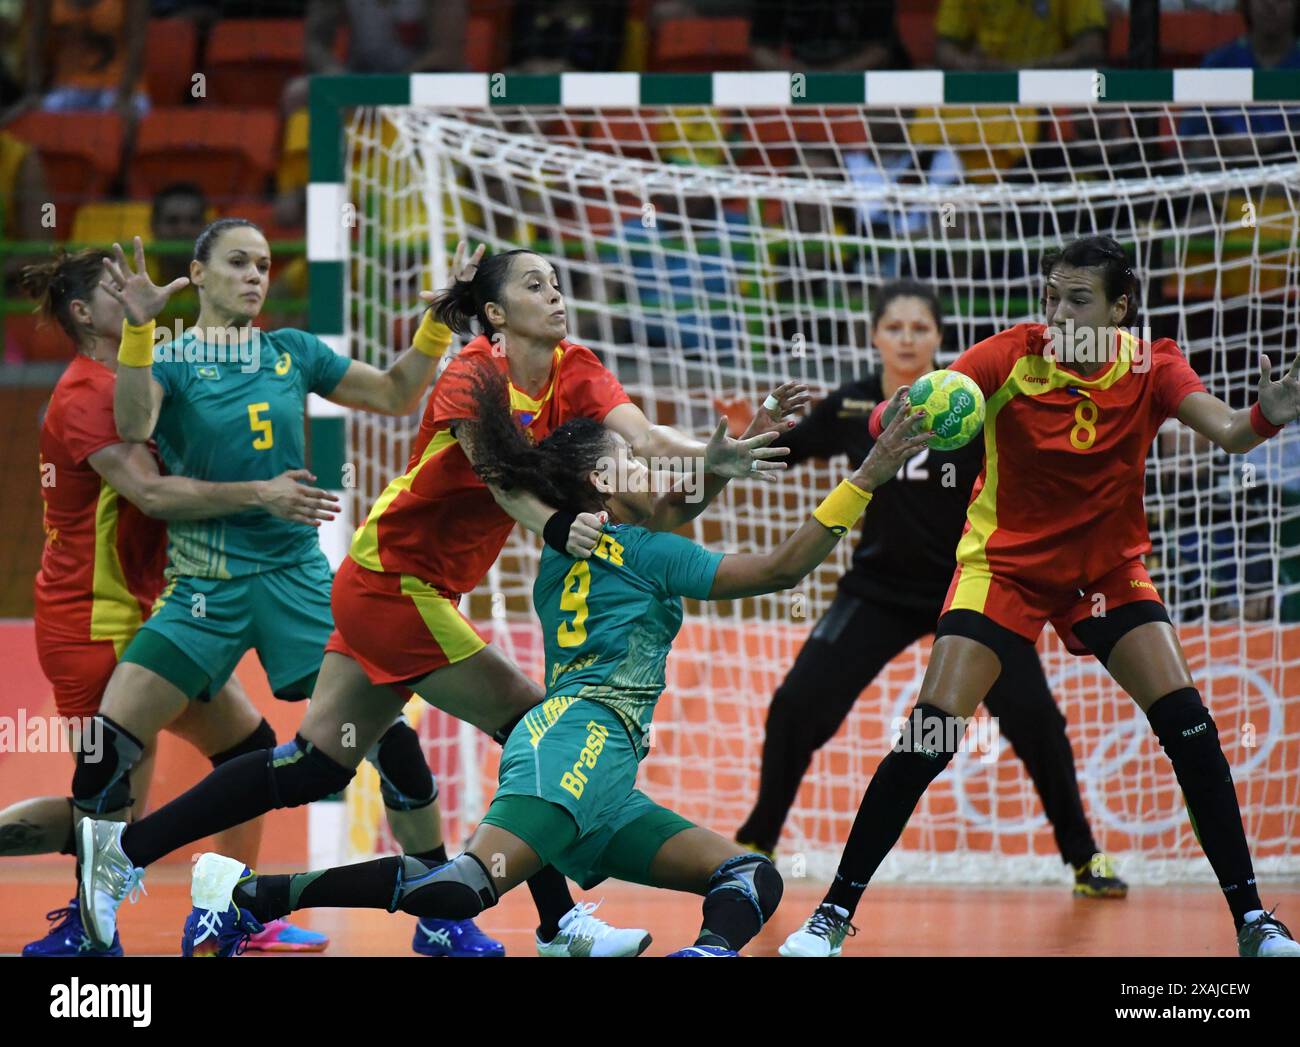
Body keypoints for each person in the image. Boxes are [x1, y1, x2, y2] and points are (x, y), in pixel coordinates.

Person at [78, 244, 788, 956]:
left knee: (314, 765)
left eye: (557, 282)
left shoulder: (576, 368)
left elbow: (646, 437)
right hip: (395, 581)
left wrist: (707, 457)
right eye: (534, 285)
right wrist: (558, 523)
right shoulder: (474, 372)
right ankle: (557, 923)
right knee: (527, 718)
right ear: (496, 314)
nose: (555, 294)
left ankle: (130, 855)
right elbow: (493, 471)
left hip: (390, 585)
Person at [174, 359, 934, 957]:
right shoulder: (641, 551)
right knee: (459, 889)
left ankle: (700, 952)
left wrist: (717, 462)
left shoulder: (584, 543)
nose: (653, 467)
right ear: (604, 483)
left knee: (749, 875)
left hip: (609, 778)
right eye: (637, 459)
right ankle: (251, 896)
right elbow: (777, 569)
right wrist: (865, 476)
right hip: (574, 739)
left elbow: (668, 505)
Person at [780, 235, 1300, 958]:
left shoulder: (1155, 364)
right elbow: (902, 414)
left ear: (1121, 307)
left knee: (1190, 724)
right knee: (930, 732)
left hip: (1107, 572)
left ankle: (1254, 919)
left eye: (1077, 299)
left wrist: (1269, 414)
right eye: (1050, 296)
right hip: (1005, 566)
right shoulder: (1008, 356)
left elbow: (1234, 432)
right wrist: (894, 417)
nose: (1056, 313)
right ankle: (832, 914)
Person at [69, 226, 514, 956]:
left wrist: (441, 315)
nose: (254, 277)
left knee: (390, 741)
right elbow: (133, 422)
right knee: (108, 744)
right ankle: (89, 925)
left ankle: (441, 914)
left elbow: (400, 392)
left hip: (298, 583)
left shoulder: (291, 352)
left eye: (264, 266)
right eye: (238, 263)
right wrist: (142, 331)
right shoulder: (172, 358)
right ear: (198, 274)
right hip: (202, 585)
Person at [734, 281, 1127, 900]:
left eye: (920, 328)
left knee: (1035, 722)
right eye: (895, 328)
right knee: (796, 706)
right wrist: (751, 436)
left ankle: (1085, 858)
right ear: (875, 337)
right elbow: (785, 448)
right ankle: (757, 840)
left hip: (973, 587)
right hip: (879, 591)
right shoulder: (854, 405)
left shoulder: (972, 398)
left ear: (939, 338)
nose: (908, 338)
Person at [4, 247, 334, 956]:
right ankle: (88, 931)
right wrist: (262, 492)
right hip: (91, 621)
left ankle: (233, 911)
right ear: (87, 315)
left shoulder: (138, 374)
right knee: (110, 805)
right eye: (117, 286)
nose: (141, 288)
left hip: (146, 611)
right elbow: (153, 493)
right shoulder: (86, 393)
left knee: (243, 751)